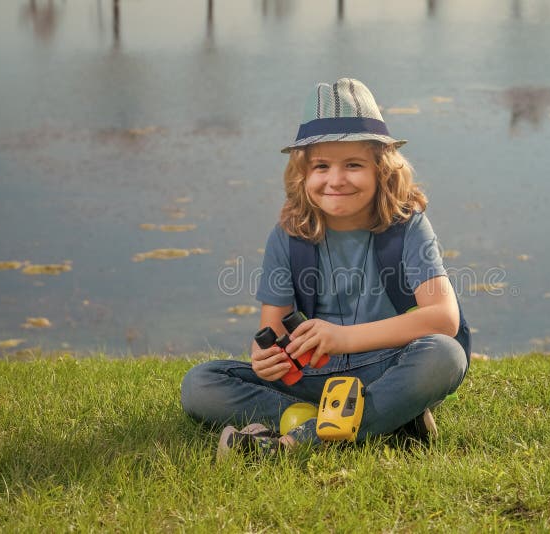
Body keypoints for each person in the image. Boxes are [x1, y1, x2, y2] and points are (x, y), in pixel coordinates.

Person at [180, 78, 468, 458]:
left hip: (383, 366)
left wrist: (343, 338)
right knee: (201, 383)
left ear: (382, 169)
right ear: (303, 173)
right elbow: (273, 328)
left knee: (445, 355)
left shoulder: (407, 225)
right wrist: (264, 358)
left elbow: (444, 319)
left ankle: (298, 438)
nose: (336, 179)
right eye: (321, 166)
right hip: (313, 377)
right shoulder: (288, 235)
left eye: (353, 165)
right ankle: (390, 419)